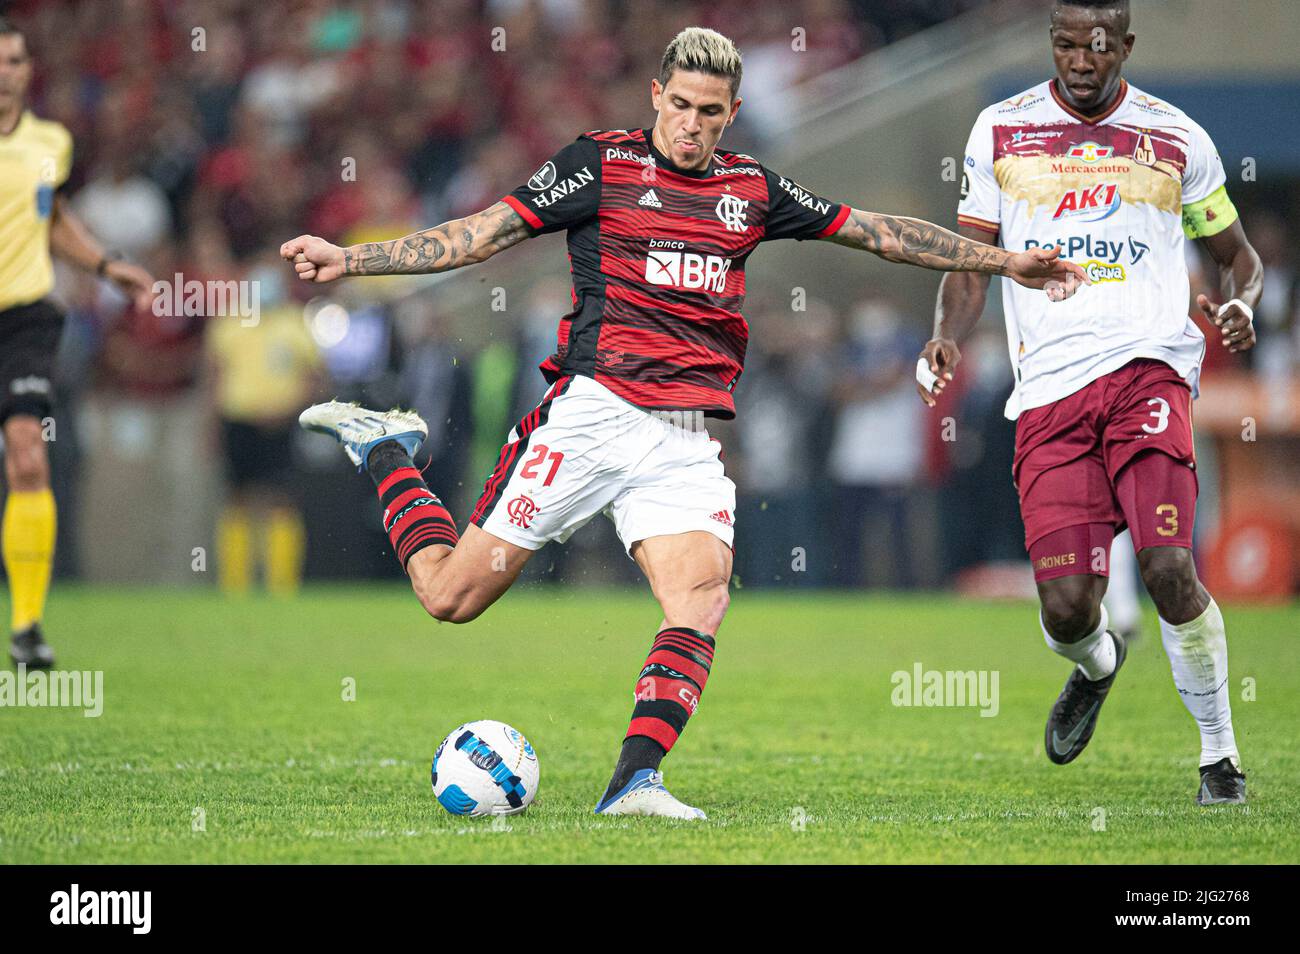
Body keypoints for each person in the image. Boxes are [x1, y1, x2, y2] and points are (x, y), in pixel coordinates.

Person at [283, 27, 1084, 819]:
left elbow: (878, 233)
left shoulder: (751, 190)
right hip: (592, 418)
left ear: (731, 111)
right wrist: (353, 262)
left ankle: (634, 783)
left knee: (699, 600)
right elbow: (477, 235)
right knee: (449, 597)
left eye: (711, 111)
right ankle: (386, 449)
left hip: (683, 440)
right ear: (656, 96)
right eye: (682, 105)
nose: (693, 124)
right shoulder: (598, 165)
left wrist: (1002, 260)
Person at [919, 0, 1263, 804]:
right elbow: (971, 258)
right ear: (1053, 44)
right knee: (1069, 608)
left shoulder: (1176, 136)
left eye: (1097, 46)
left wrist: (1241, 300)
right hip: (1049, 392)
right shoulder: (999, 129)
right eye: (1066, 45)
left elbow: (1236, 255)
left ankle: (1220, 758)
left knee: (1169, 565)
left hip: (1150, 373)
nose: (1080, 60)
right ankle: (1097, 666)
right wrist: (947, 338)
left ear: (1126, 46)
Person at [0, 17, 153, 668]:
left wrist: (105, 264)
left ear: (29, 69)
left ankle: (28, 625)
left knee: (28, 456)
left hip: (27, 316)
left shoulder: (50, 142)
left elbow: (51, 216)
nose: (6, 72)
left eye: (14, 60)